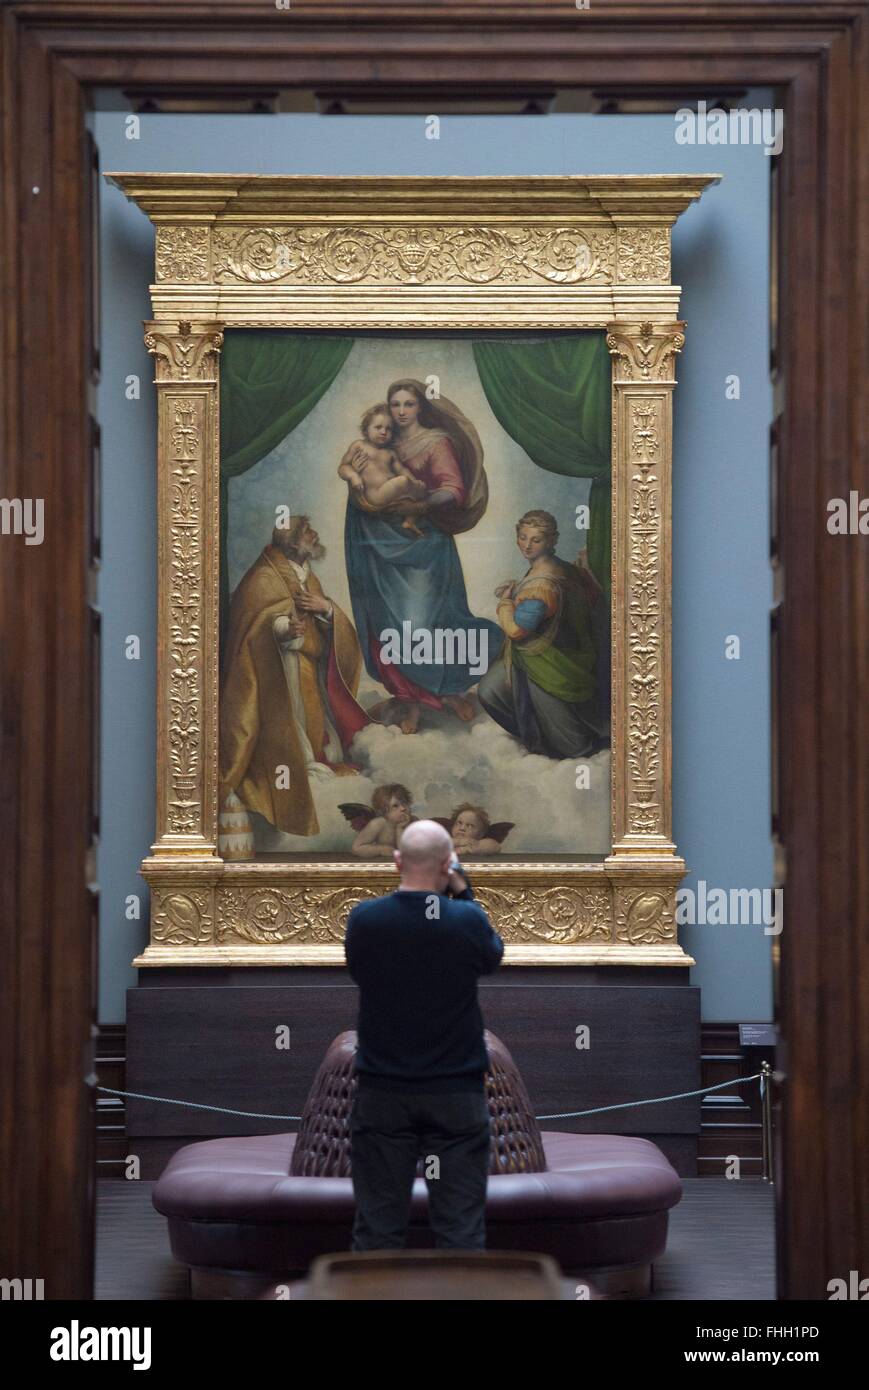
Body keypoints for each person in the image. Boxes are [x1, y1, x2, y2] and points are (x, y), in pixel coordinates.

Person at [344, 819, 504, 1251]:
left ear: (397, 861)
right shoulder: (465, 921)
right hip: (456, 1094)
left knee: (377, 1229)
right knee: (461, 1229)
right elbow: (492, 958)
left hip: (383, 1093)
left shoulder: (366, 920)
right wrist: (462, 889)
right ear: (447, 862)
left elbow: (359, 971)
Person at [344, 379, 502, 734]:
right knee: (388, 623)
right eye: (395, 404)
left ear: (421, 408)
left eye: (408, 404)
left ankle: (447, 691)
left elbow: (453, 490)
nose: (400, 412)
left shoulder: (436, 442)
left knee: (426, 624)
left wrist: (419, 504)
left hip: (425, 547)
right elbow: (358, 483)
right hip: (381, 545)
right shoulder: (381, 441)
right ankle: (409, 700)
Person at [219, 514, 370, 837]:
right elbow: (253, 626)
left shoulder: (307, 577)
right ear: (293, 543)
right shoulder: (262, 578)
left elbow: (326, 623)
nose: (315, 536)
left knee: (314, 728)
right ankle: (297, 774)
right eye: (308, 532)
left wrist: (326, 609)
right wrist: (283, 628)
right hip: (279, 673)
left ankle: (313, 762)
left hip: (308, 670)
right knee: (291, 728)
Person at [478, 509, 610, 759]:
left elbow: (516, 630)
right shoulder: (561, 569)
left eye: (536, 540)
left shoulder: (542, 585)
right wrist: (517, 590)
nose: (527, 545)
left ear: (551, 541)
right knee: (491, 690)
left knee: (571, 745)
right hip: (550, 658)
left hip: (549, 666)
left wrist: (506, 603)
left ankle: (548, 741)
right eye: (523, 537)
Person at [338, 403, 427, 535]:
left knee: (417, 494)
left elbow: (401, 469)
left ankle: (409, 521)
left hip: (390, 496)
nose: (384, 432)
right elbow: (343, 467)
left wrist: (414, 481)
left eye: (388, 429)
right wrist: (354, 476)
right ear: (366, 430)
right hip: (373, 495)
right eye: (378, 427)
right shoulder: (359, 446)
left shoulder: (390, 452)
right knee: (403, 482)